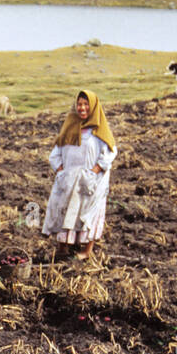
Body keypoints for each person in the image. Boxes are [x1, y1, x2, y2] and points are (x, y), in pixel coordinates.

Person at [42, 89, 117, 261]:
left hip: (90, 179)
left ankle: (86, 249)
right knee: (63, 208)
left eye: (86, 104)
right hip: (68, 177)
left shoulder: (99, 131)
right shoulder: (70, 128)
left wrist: (94, 172)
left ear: (93, 106)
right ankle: (63, 247)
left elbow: (110, 153)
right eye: (79, 104)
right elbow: (55, 153)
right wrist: (61, 172)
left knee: (87, 212)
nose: (82, 108)